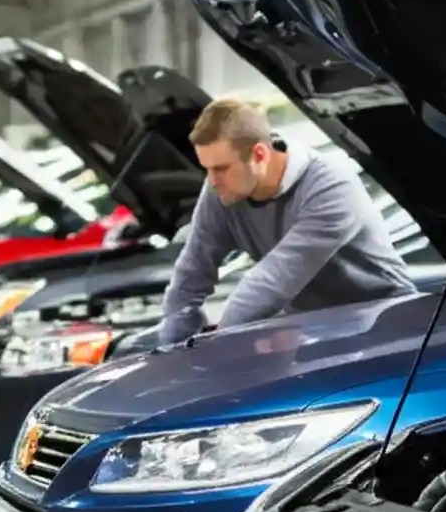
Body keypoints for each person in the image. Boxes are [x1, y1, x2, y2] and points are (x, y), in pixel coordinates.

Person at [158, 99, 417, 345]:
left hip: (387, 326)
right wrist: (173, 347)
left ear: (259, 155)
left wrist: (217, 347)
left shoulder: (331, 185)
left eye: (221, 168)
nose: (212, 181)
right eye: (207, 169)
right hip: (316, 333)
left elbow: (272, 281)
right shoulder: (222, 191)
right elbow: (192, 271)